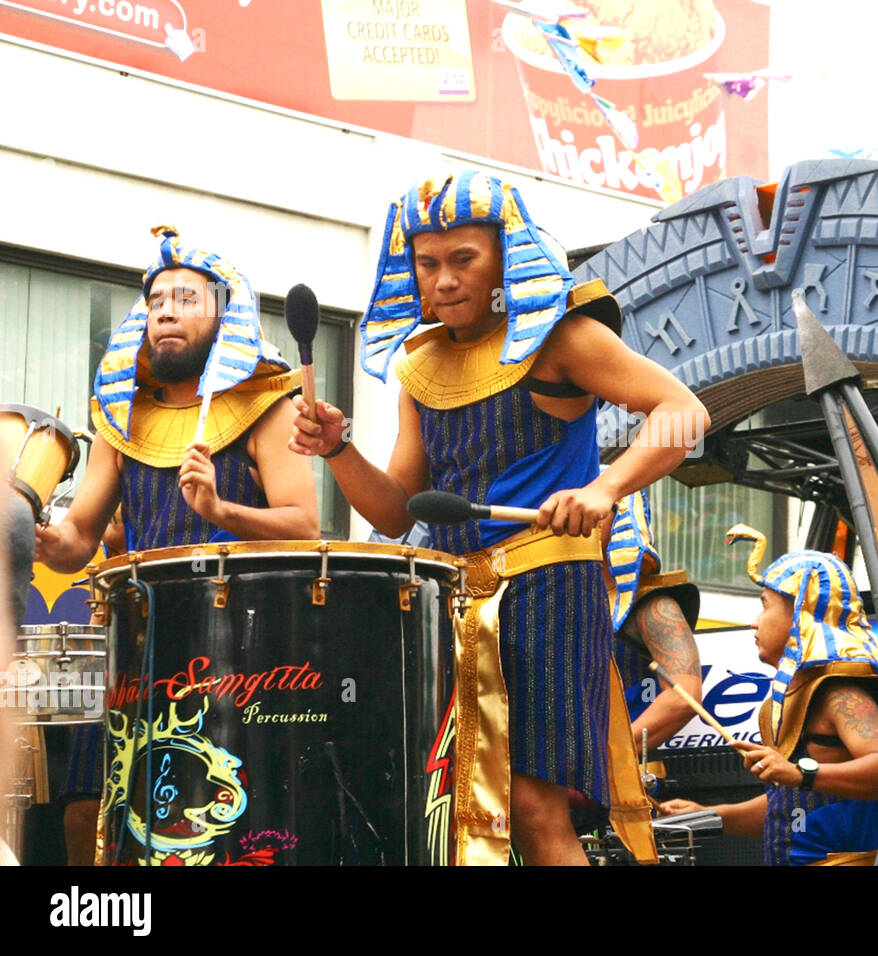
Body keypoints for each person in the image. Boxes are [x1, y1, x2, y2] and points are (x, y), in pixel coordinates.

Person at [289, 169, 709, 866]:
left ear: (505, 262)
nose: (444, 280)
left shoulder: (561, 336)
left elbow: (683, 413)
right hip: (454, 601)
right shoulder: (419, 369)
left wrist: (606, 487)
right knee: (464, 808)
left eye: (463, 260)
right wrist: (336, 449)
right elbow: (396, 512)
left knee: (533, 806)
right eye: (428, 263)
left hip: (548, 586)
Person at [35, 226, 319, 573]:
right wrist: (48, 541)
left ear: (225, 320)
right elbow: (78, 538)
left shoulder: (269, 411)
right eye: (156, 302)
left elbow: (305, 529)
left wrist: (219, 510)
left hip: (242, 622)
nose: (166, 312)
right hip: (142, 622)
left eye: (187, 300)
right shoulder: (121, 418)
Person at [660, 526, 878, 866]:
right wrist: (710, 814)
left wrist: (801, 771)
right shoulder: (784, 702)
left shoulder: (840, 692)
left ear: (802, 613)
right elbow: (788, 806)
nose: (754, 622)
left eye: (764, 606)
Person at [604, 486, 702, 753]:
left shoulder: (654, 605)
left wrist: (609, 758)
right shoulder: (556, 601)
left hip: (624, 783)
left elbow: (684, 698)